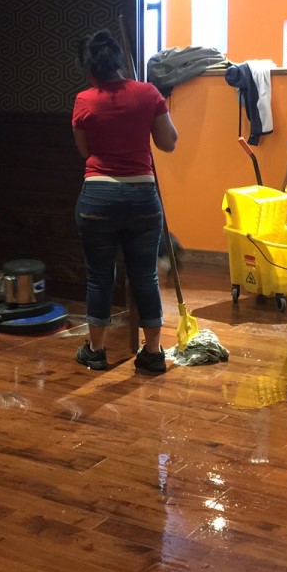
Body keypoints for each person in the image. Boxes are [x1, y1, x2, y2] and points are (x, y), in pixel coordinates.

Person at [70, 29, 178, 373]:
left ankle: (96, 352)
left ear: (89, 70)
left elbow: (85, 151)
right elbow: (169, 142)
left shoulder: (84, 100)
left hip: (97, 197)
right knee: (145, 276)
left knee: (100, 278)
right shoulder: (148, 93)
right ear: (119, 62)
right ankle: (153, 353)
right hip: (142, 197)